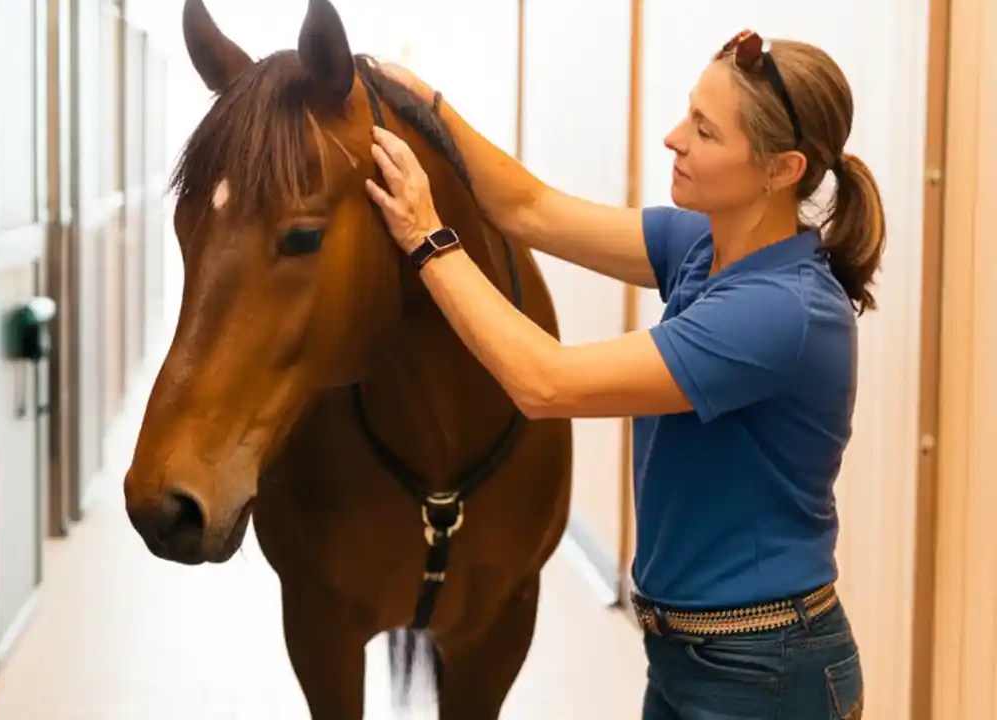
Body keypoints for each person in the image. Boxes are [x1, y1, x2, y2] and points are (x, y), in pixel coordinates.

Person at [363, 30, 879, 720]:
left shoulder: (779, 312)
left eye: (704, 130)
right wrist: (424, 101)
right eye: (686, 113)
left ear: (781, 169)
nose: (673, 138)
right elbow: (529, 209)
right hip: (687, 657)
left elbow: (544, 382)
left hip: (763, 672)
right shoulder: (703, 246)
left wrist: (427, 238)